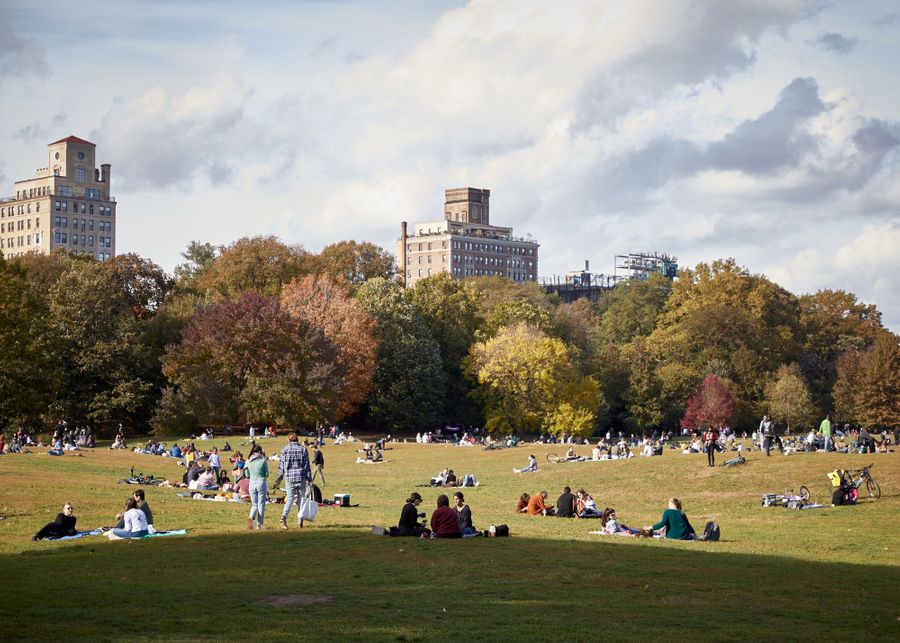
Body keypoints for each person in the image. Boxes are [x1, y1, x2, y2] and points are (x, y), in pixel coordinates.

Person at [277, 433, 312, 530]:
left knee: (290, 499)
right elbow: (307, 466)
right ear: (297, 439)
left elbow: (281, 466)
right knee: (301, 500)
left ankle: (283, 517)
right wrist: (309, 478)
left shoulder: (285, 449)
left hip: (289, 478)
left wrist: (279, 478)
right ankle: (300, 521)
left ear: (288, 440)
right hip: (301, 477)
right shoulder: (303, 449)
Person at [244, 443, 269, 530]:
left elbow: (246, 474)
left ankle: (251, 517)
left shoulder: (248, 460)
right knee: (261, 504)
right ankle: (259, 525)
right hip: (261, 481)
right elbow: (267, 474)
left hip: (251, 483)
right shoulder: (262, 461)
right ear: (259, 451)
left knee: (254, 504)